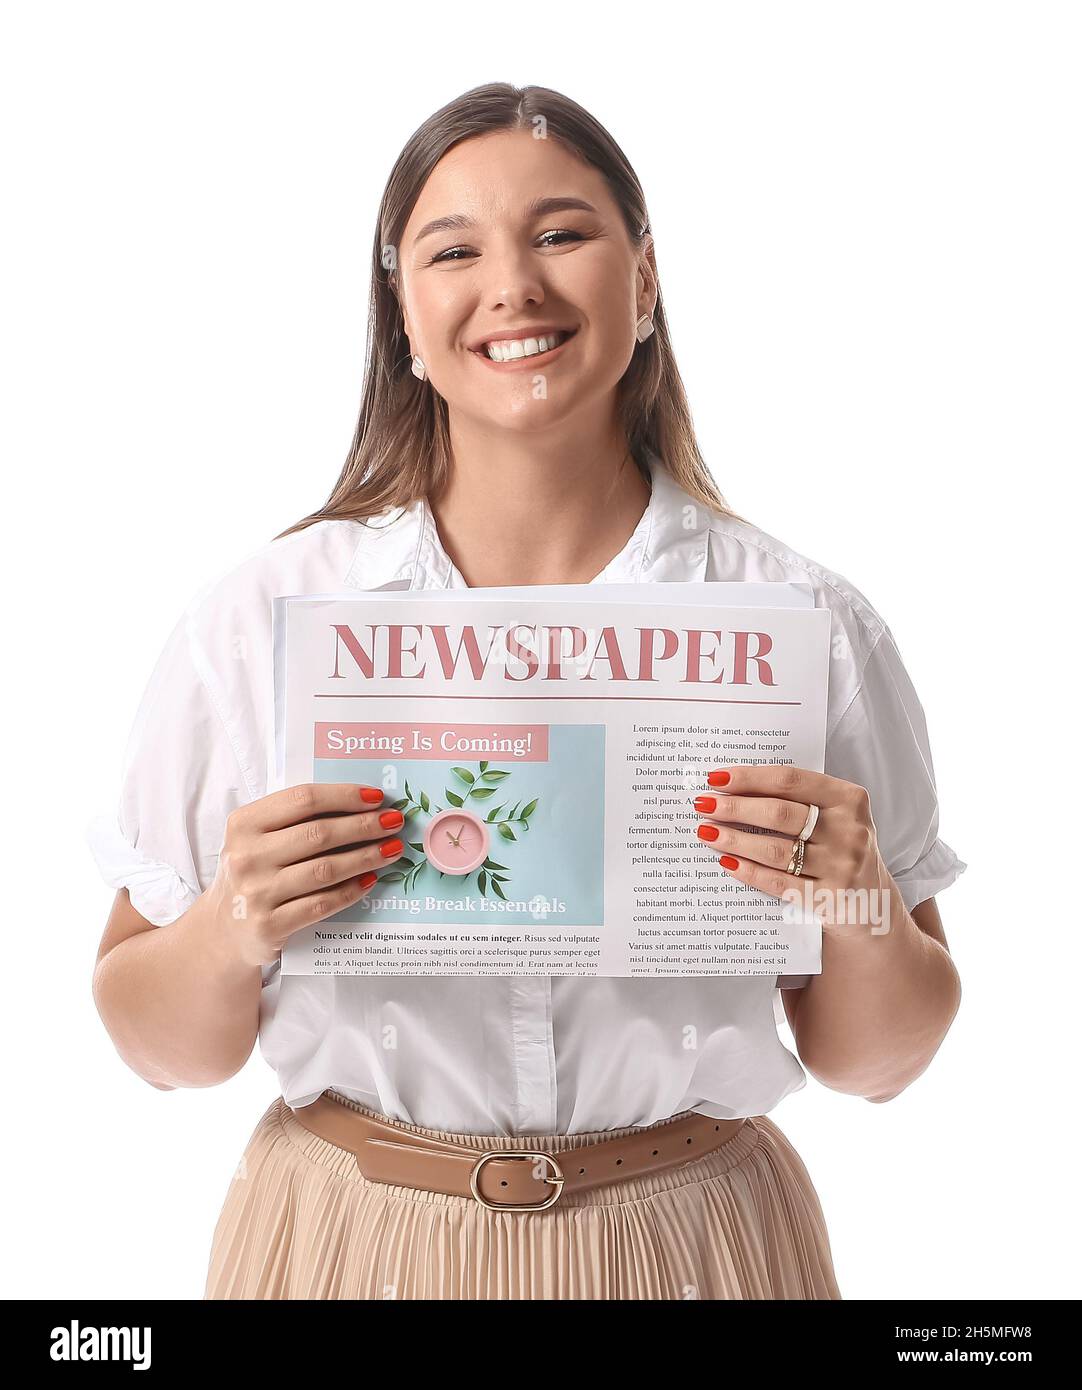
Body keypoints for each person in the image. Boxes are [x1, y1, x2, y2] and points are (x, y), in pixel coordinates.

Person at [86, 83, 966, 1301]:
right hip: (354, 1242)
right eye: (454, 251)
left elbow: (878, 1064)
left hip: (695, 1246)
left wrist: (860, 899)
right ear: (403, 308)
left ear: (643, 278)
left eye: (560, 234)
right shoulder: (255, 622)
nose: (513, 287)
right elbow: (157, 1049)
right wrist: (236, 921)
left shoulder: (809, 628)